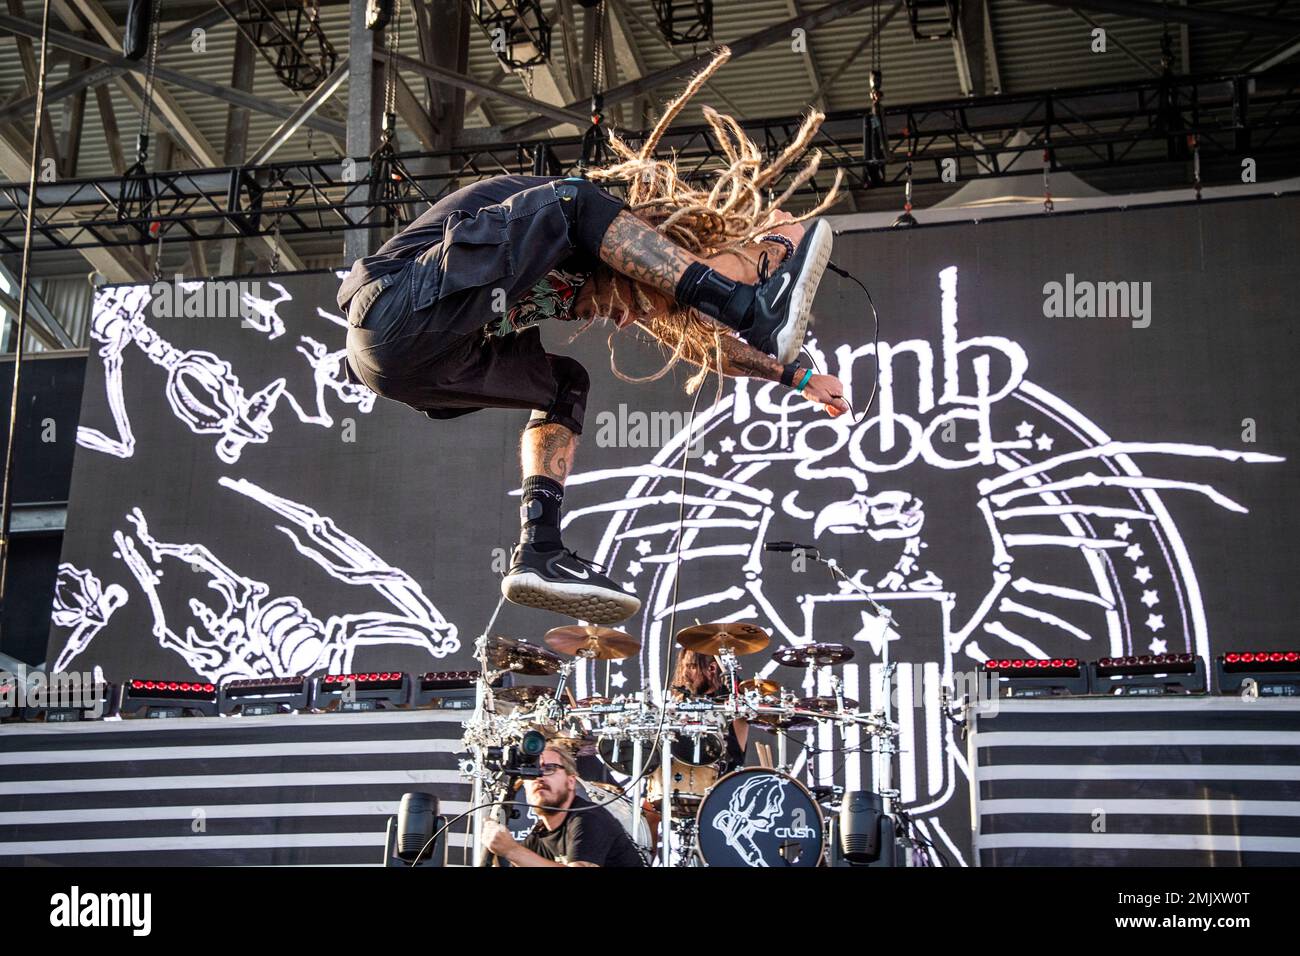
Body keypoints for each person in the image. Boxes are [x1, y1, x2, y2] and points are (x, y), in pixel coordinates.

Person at [336, 174, 850, 625]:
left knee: (566, 384)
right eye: (630, 299)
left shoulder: (593, 262)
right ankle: (746, 303)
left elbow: (693, 341)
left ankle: (539, 548)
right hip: (391, 310)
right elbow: (619, 239)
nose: (624, 317)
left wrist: (794, 378)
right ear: (628, 255)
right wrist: (769, 251)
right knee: (574, 201)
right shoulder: (575, 219)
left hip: (429, 368)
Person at [482, 745, 645, 867]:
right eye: (532, 772)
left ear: (571, 781)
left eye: (549, 769)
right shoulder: (539, 834)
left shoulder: (589, 819)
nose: (539, 777)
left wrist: (512, 851)